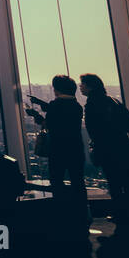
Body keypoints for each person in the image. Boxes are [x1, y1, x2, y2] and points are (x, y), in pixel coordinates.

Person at [80, 73, 129, 226]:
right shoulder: (113, 101)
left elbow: (94, 131)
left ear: (90, 86)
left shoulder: (92, 104)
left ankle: (120, 214)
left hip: (109, 151)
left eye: (82, 84)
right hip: (125, 149)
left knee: (115, 183)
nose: (80, 87)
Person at [24, 75, 86, 216]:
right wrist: (42, 103)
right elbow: (61, 113)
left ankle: (62, 212)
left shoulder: (55, 105)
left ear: (57, 88)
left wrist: (34, 114)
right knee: (78, 181)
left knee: (57, 181)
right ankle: (82, 212)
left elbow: (48, 124)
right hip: (75, 148)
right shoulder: (77, 106)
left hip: (58, 149)